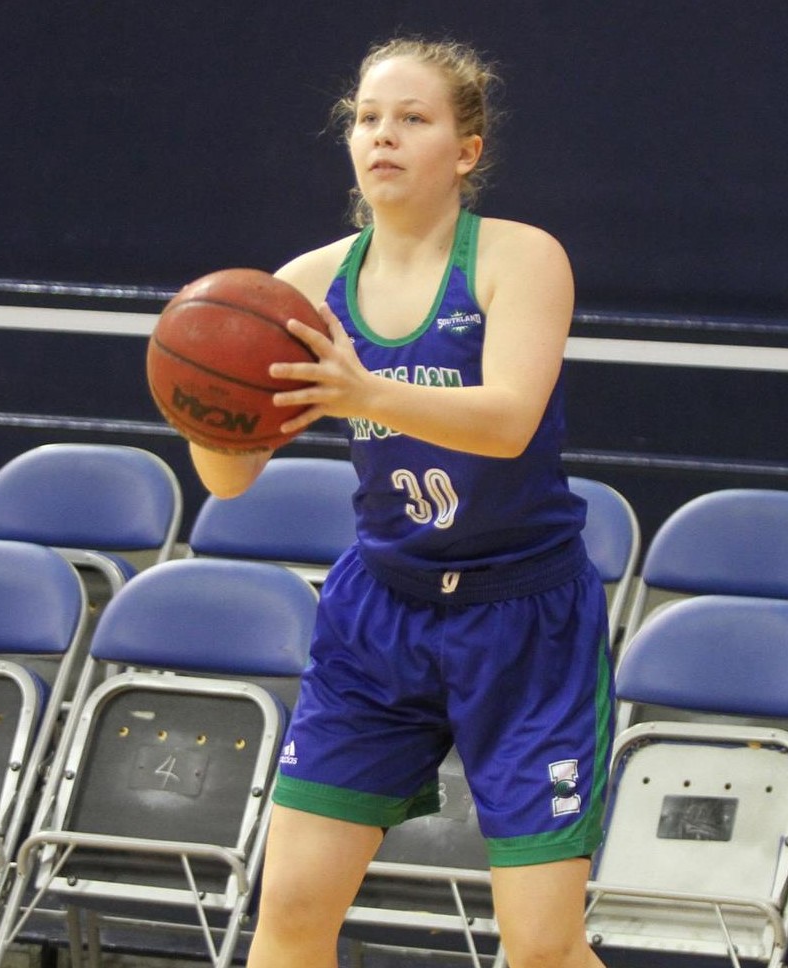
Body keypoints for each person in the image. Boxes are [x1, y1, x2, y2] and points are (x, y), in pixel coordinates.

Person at [187, 37, 612, 968]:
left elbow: (505, 423)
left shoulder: (519, 258)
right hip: (381, 612)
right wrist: (205, 399)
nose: (382, 136)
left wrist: (361, 391)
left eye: (412, 119)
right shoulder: (299, 288)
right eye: (367, 118)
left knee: (541, 947)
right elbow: (227, 481)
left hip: (522, 616)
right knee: (290, 912)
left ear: (465, 149)